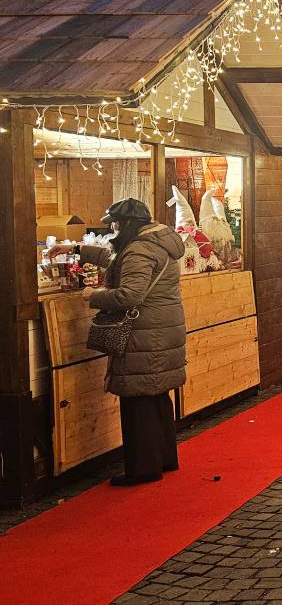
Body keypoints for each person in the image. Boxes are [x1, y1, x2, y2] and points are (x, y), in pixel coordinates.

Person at [48, 199, 186, 486]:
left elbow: (129, 296)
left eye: (115, 223)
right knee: (156, 397)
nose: (112, 228)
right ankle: (164, 459)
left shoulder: (139, 249)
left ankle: (143, 469)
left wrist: (92, 296)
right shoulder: (152, 242)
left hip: (143, 333)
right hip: (158, 331)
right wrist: (75, 249)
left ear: (126, 224)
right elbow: (114, 259)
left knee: (137, 400)